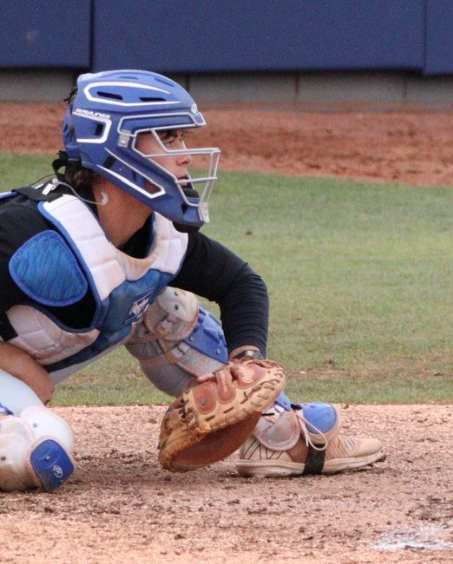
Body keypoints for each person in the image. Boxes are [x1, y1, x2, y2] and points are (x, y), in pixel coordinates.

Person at [0, 71, 382, 492]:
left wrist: (246, 365)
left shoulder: (161, 236)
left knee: (167, 309)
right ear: (115, 145)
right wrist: (12, 361)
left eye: (181, 137)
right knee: (41, 453)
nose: (184, 155)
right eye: (167, 136)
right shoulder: (31, 236)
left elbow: (241, 284)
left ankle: (276, 432)